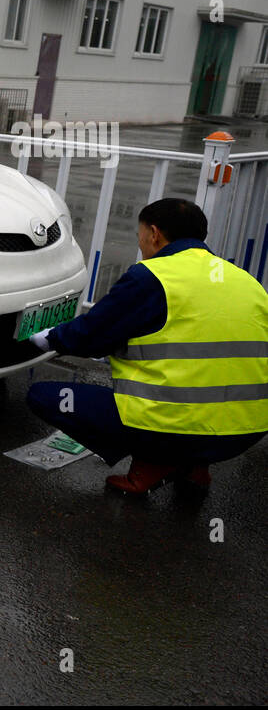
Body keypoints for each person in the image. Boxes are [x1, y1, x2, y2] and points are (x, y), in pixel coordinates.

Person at [26, 197, 268, 494]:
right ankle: (194, 465)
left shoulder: (152, 277)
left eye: (139, 235)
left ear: (154, 233)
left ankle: (155, 462)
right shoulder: (246, 281)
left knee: (44, 395)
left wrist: (46, 338)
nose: (140, 243)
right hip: (247, 430)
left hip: (173, 429)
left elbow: (90, 335)